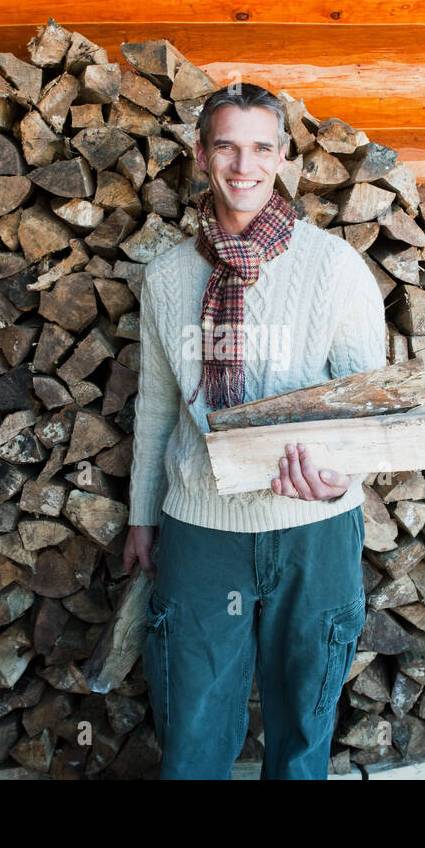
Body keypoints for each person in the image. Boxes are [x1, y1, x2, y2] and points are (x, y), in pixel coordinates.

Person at [123, 82, 387, 779]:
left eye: (261, 147)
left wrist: (341, 476)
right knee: (193, 730)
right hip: (201, 531)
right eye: (227, 146)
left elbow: (371, 408)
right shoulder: (168, 276)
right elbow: (156, 409)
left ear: (282, 157)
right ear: (203, 154)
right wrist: (141, 519)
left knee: (303, 727)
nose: (244, 165)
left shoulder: (332, 267)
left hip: (315, 528)